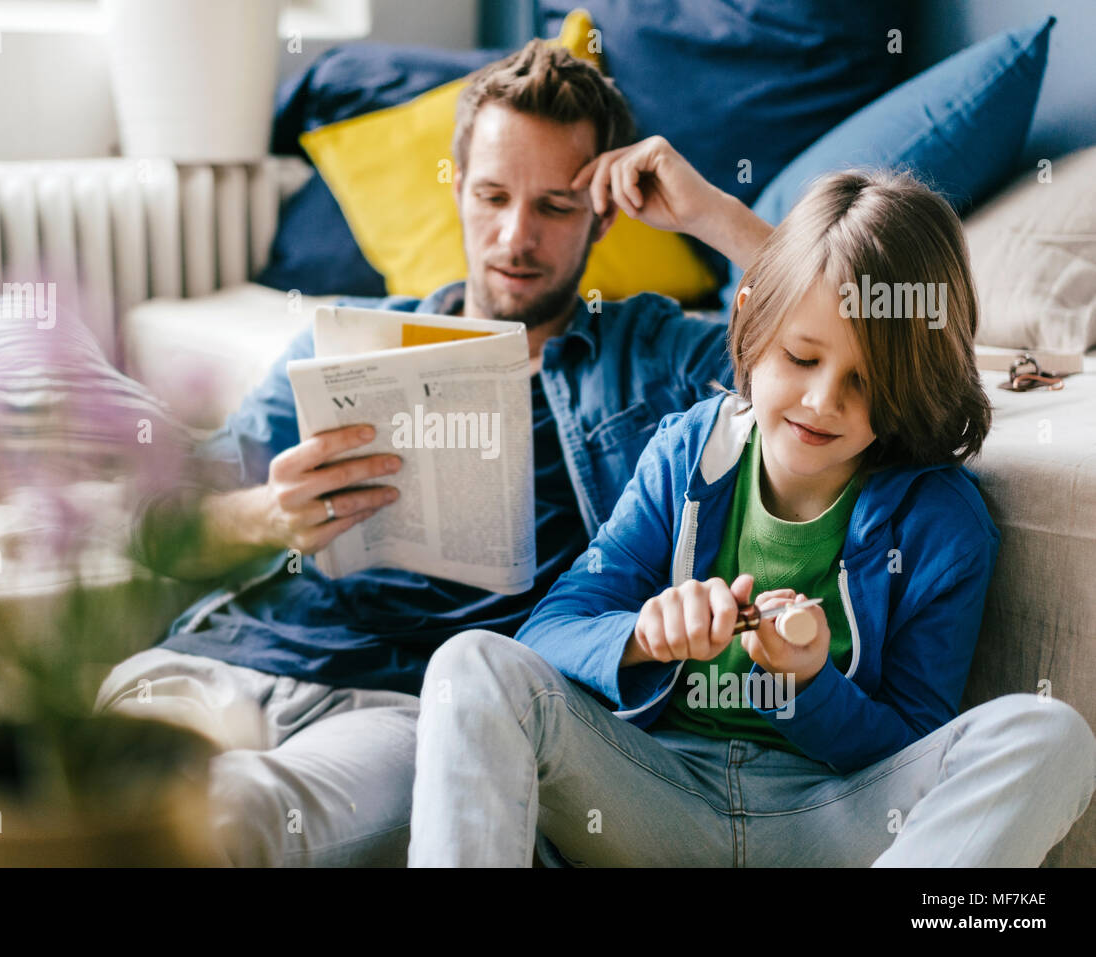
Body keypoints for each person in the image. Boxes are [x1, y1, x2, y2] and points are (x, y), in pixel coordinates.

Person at [93, 39, 774, 865]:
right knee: (85, 788)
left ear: (602, 213)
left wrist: (708, 214)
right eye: (491, 196)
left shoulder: (648, 353)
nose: (514, 237)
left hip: (403, 709)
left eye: (555, 206)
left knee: (221, 812)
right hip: (231, 656)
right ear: (457, 190)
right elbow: (157, 525)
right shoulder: (345, 342)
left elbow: (840, 342)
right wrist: (267, 514)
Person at [408, 168, 1096, 867]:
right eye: (802, 357)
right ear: (754, 324)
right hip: (654, 798)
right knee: (471, 664)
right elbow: (549, 631)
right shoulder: (687, 453)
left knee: (1050, 734)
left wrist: (805, 686)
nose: (823, 401)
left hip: (833, 819)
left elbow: (912, 744)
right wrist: (645, 635)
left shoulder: (941, 521)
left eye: (866, 381)